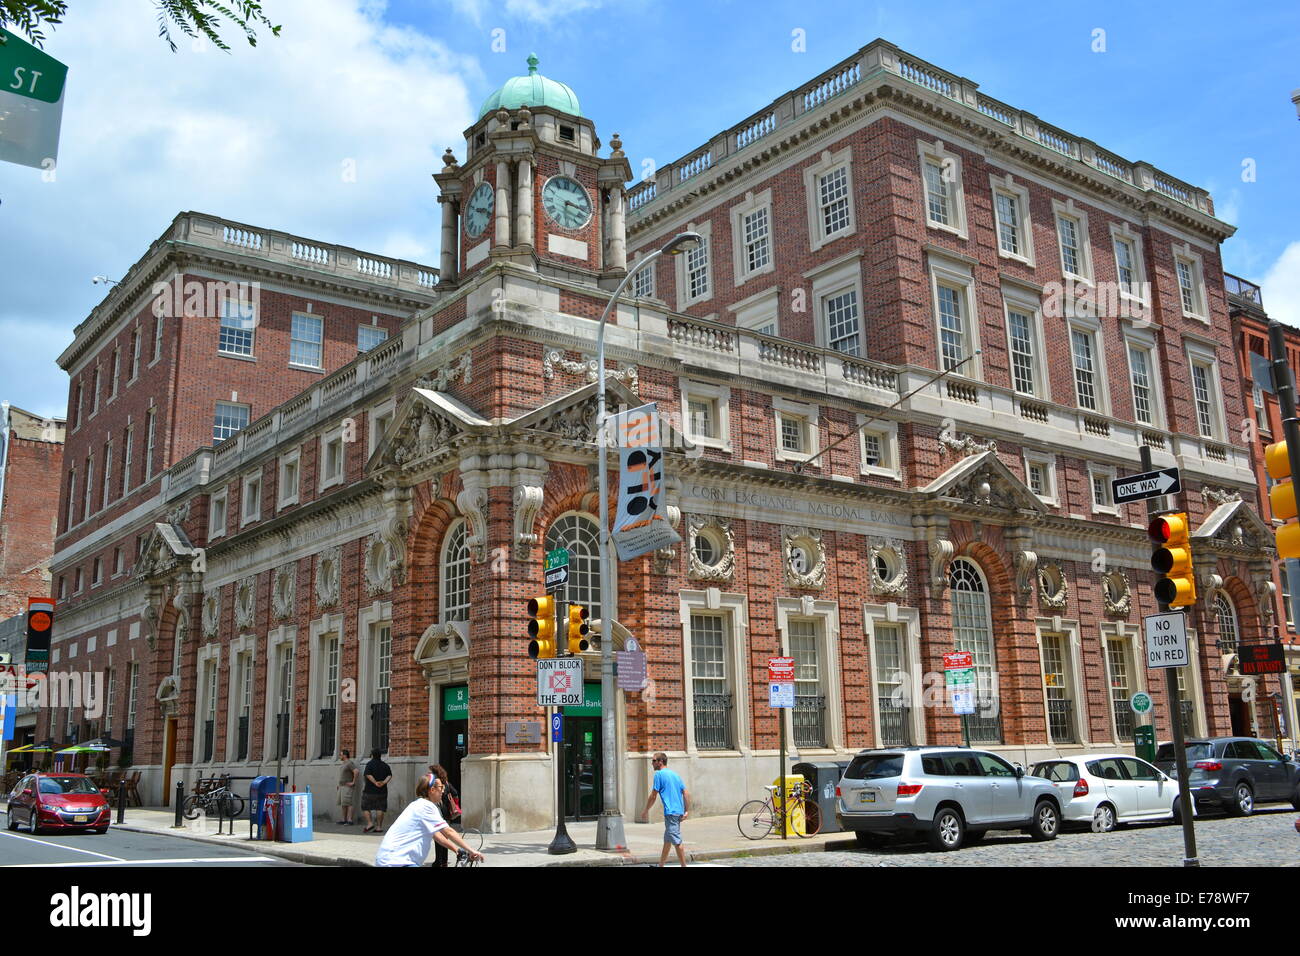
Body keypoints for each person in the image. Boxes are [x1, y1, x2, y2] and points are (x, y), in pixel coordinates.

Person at [374, 771, 484, 867]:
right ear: (432, 790)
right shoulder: (427, 806)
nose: (443, 791)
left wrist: (457, 850)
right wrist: (471, 850)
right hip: (397, 861)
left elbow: (437, 835)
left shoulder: (417, 805)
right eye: (441, 787)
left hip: (388, 859)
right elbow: (448, 831)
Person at [641, 752, 690, 867]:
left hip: (671, 812)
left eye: (653, 761)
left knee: (677, 842)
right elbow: (686, 793)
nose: (651, 763)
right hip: (677, 812)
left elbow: (653, 795)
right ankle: (661, 865)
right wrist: (686, 811)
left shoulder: (659, 775)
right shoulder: (675, 775)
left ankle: (684, 866)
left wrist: (646, 810)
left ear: (660, 762)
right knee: (668, 840)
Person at [429, 764, 461, 867]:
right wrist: (451, 804)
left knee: (439, 838)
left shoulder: (436, 783)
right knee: (444, 838)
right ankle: (444, 861)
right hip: (446, 812)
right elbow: (455, 793)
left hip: (439, 812)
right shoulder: (446, 783)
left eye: (431, 772)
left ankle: (439, 861)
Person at [361, 748, 392, 833]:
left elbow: (368, 775)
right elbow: (389, 775)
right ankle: (379, 827)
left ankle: (370, 823)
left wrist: (375, 782)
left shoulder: (369, 764)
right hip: (382, 791)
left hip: (369, 791)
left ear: (372, 755)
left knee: (365, 807)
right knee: (380, 808)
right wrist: (383, 783)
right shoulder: (385, 765)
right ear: (380, 755)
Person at [337, 750, 359, 825]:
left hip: (347, 786)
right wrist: (339, 785)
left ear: (345, 755)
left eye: (341, 755)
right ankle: (343, 819)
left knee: (349, 803)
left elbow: (356, 771)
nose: (340, 756)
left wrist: (353, 782)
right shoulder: (343, 763)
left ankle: (350, 820)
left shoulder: (349, 763)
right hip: (342, 786)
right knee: (343, 803)